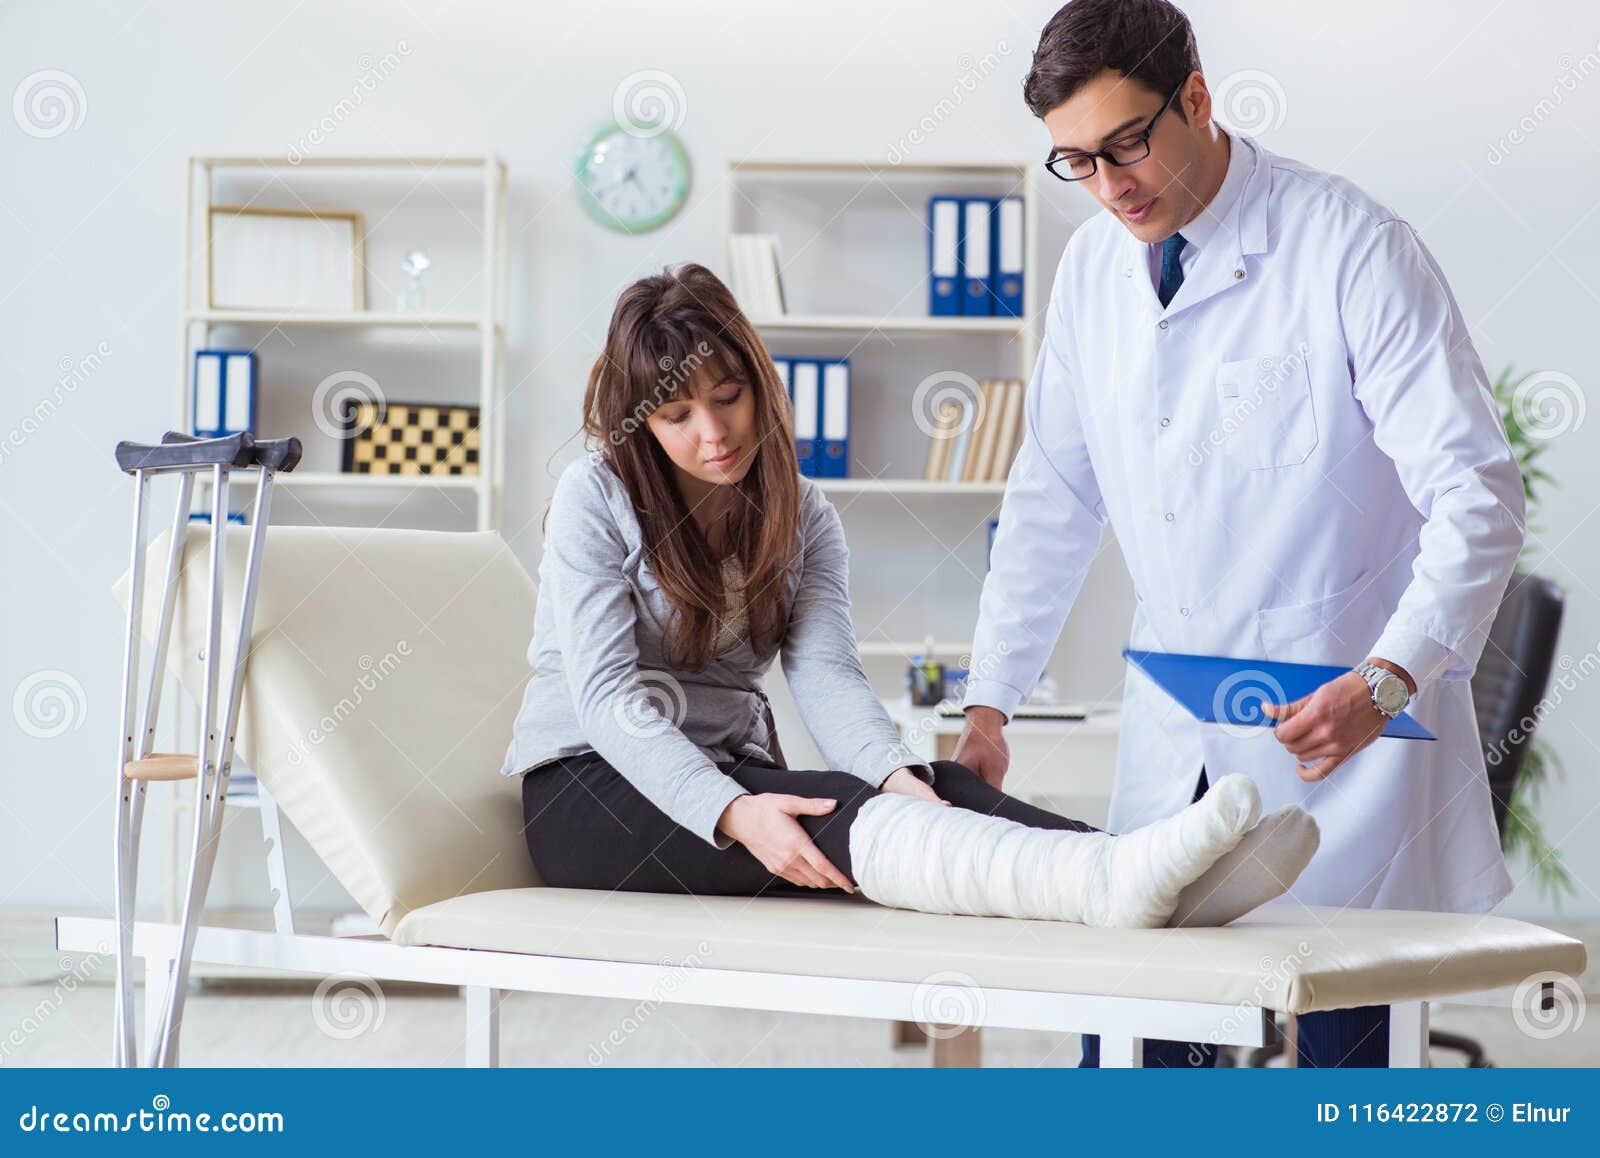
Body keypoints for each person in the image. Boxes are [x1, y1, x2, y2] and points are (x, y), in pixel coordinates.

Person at [953, 0, 1524, 1067]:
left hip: (1349, 751)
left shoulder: (1351, 248)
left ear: (1198, 100)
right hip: (1176, 750)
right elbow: (1053, 500)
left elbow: (1478, 494)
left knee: (1344, 1078)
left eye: (1127, 144)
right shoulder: (1091, 274)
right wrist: (991, 701)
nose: (1111, 185)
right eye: (1075, 161)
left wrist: (1385, 684)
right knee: (1128, 1062)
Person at [499, 262, 1320, 933]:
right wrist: (731, 813)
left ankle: (1150, 871)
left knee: (928, 784)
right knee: (850, 813)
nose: (713, 434)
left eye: (727, 398)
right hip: (591, 788)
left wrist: (896, 776)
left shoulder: (800, 511)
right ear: (642, 424)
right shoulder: (594, 496)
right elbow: (609, 700)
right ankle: (1112, 882)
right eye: (677, 415)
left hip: (726, 770)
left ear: (758, 383)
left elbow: (826, 675)